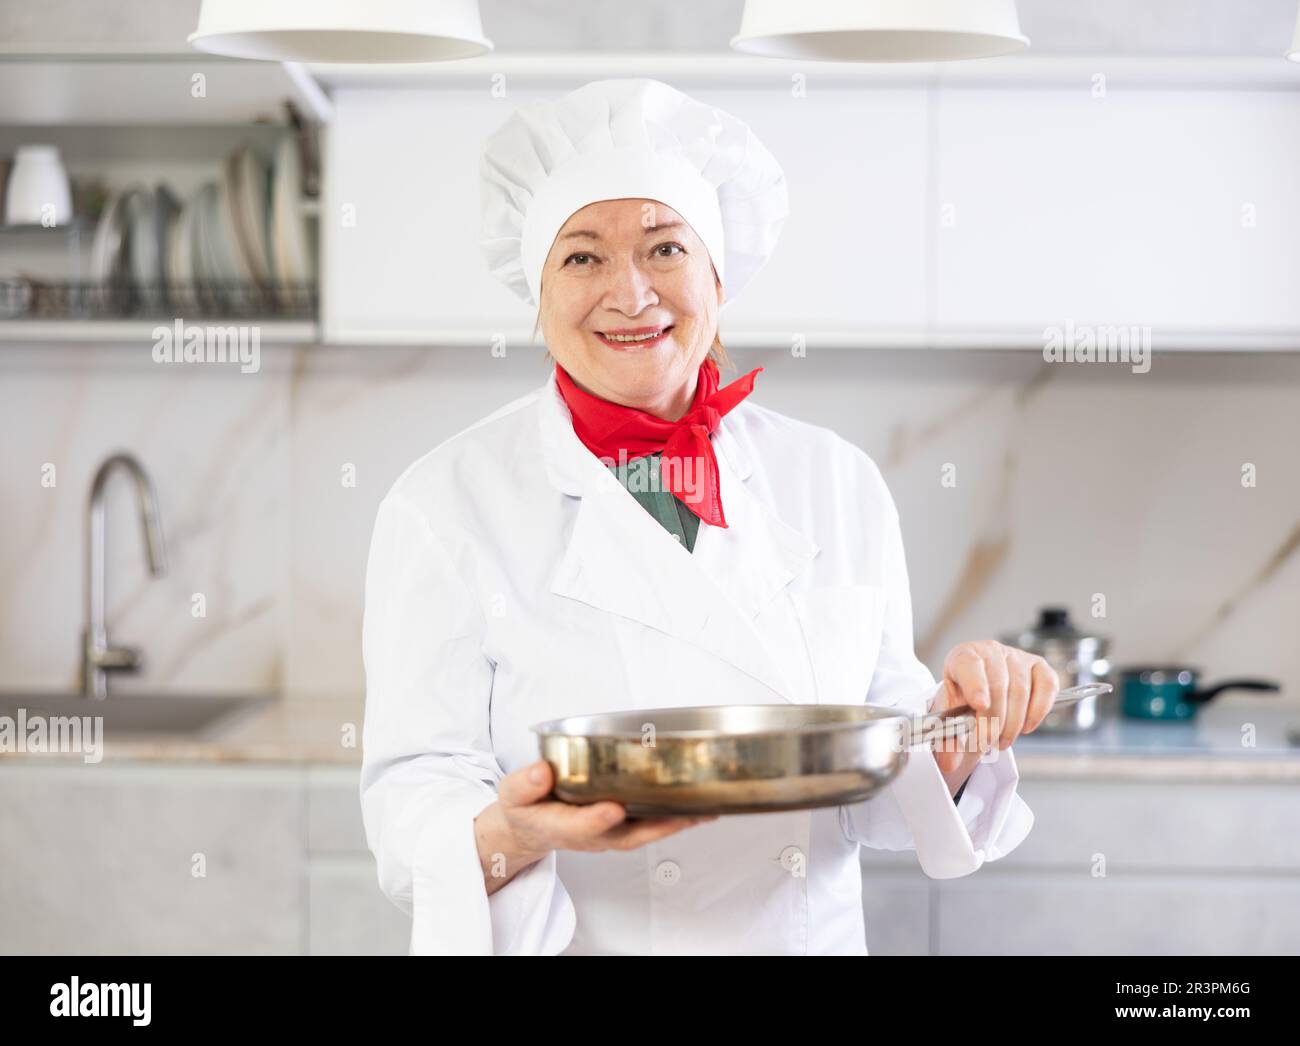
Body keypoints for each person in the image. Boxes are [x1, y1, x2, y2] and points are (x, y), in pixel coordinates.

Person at [360, 78, 1061, 955]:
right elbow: (413, 794)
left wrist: (958, 720)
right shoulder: (444, 503)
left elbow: (876, 767)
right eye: (581, 257)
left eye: (664, 248)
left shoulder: (833, 478)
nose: (629, 292)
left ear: (718, 277)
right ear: (536, 295)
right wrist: (520, 832)